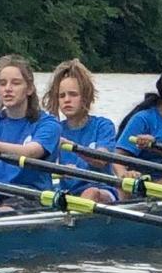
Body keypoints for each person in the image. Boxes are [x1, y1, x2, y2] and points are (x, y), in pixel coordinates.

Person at [0, 54, 63, 215]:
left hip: (30, 193)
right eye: (2, 83)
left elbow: (31, 152)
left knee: (3, 214)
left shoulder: (48, 124)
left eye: (15, 83)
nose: (7, 89)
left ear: (29, 89)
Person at [44, 58, 121, 203]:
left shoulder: (103, 126)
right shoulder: (53, 129)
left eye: (73, 94)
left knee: (91, 192)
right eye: (62, 96)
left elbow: (101, 160)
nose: (67, 100)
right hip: (67, 193)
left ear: (85, 97)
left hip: (101, 189)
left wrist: (72, 147)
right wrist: (59, 169)